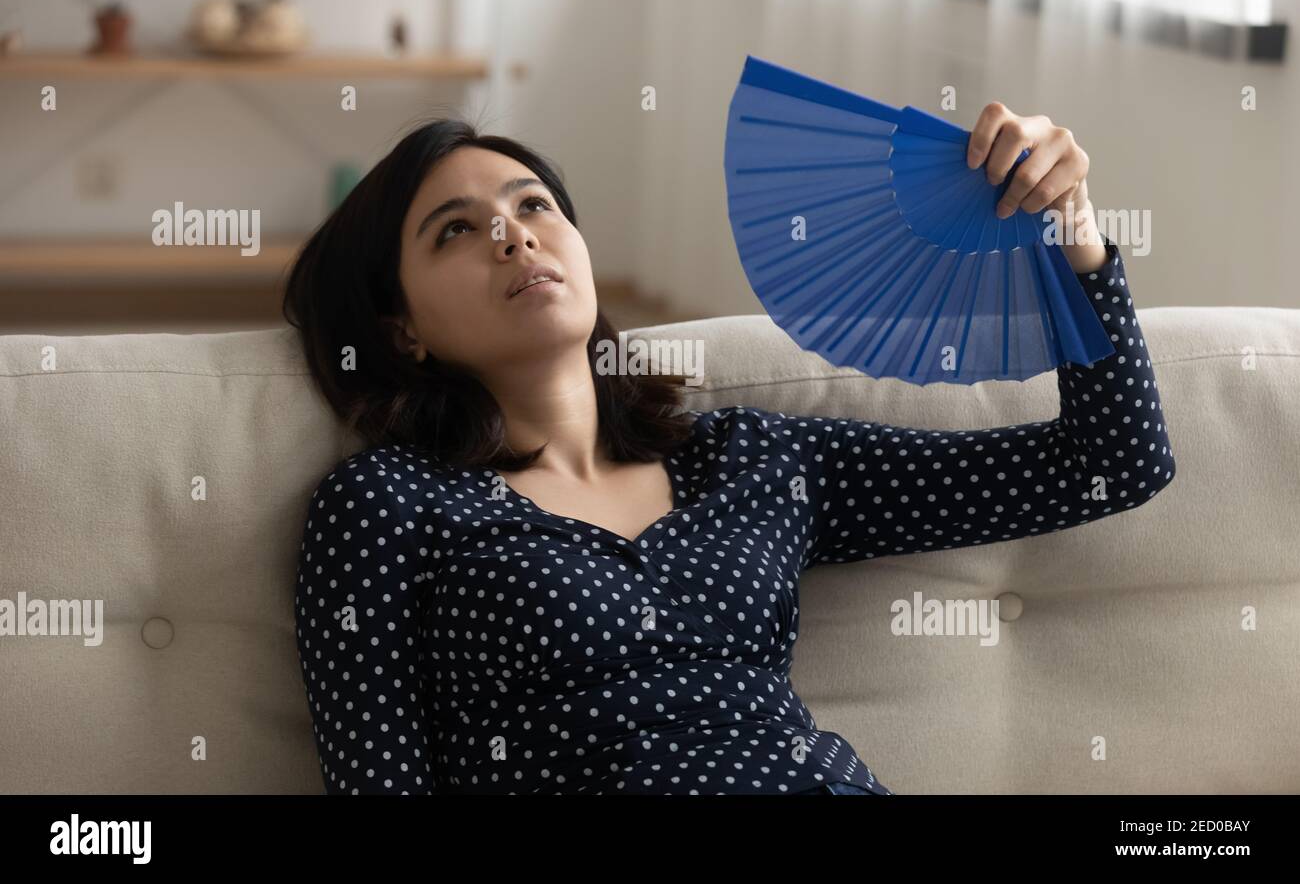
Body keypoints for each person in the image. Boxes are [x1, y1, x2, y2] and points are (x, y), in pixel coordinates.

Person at [282, 109, 1175, 795]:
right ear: (402, 332)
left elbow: (1109, 461)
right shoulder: (387, 506)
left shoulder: (753, 460)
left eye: (534, 206)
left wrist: (1072, 237)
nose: (514, 236)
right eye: (455, 230)